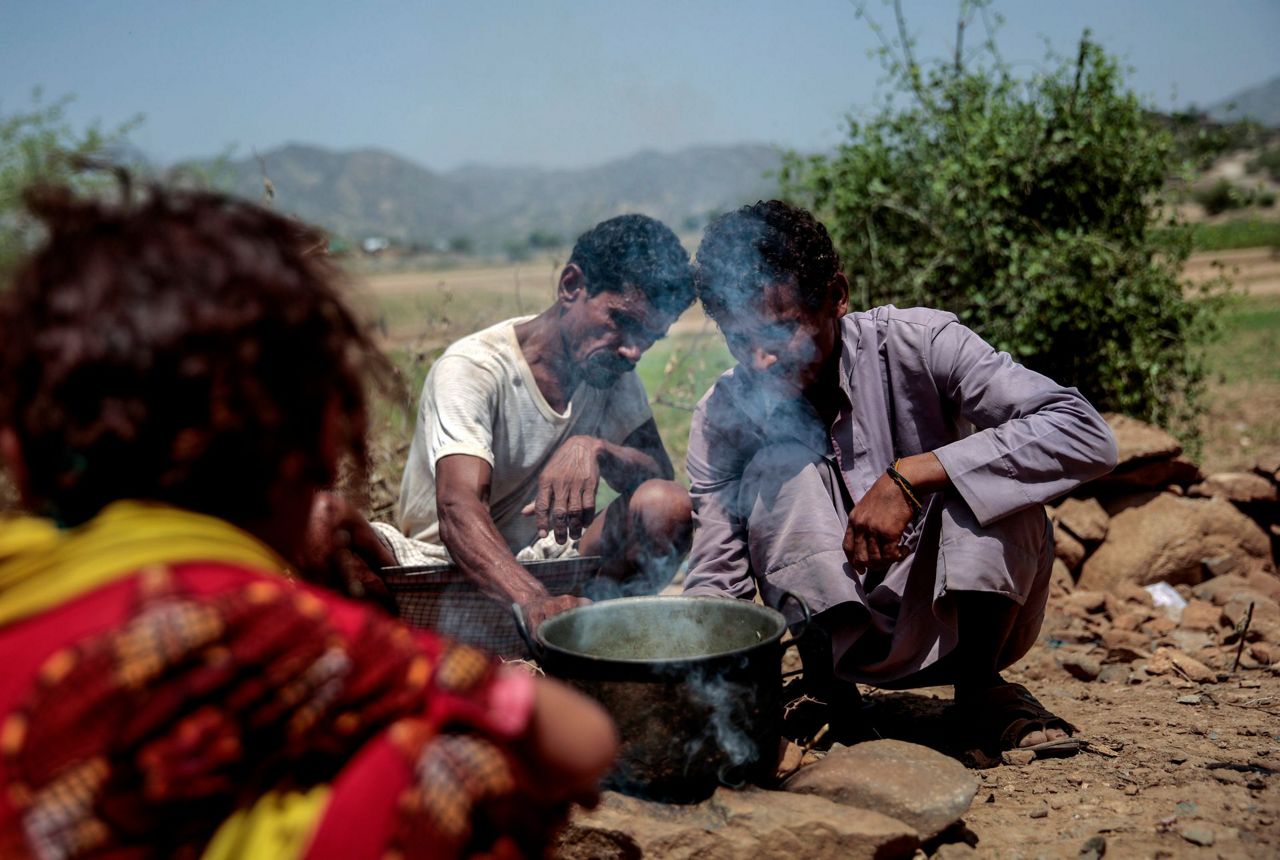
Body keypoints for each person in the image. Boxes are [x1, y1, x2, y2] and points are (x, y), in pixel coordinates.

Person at [0, 181, 617, 859]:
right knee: (464, 766)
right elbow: (581, 741)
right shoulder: (270, 635)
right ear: (319, 448)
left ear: (17, 454)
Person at [683, 200, 1118, 759]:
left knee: (987, 477)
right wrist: (694, 677)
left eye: (781, 330)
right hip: (837, 642)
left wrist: (914, 476)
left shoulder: (922, 342)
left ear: (837, 296)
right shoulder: (723, 413)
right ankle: (832, 700)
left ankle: (980, 692)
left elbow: (1085, 434)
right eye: (740, 340)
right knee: (775, 470)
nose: (762, 361)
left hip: (962, 621)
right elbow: (718, 573)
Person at [375, 214, 696, 646]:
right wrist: (533, 601)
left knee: (666, 506)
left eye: (650, 337)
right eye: (622, 321)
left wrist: (596, 449)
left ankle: (605, 647)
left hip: (547, 568)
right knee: (326, 526)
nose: (633, 349)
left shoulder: (615, 373)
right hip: (446, 574)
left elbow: (657, 472)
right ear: (570, 286)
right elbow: (457, 508)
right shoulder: (473, 369)